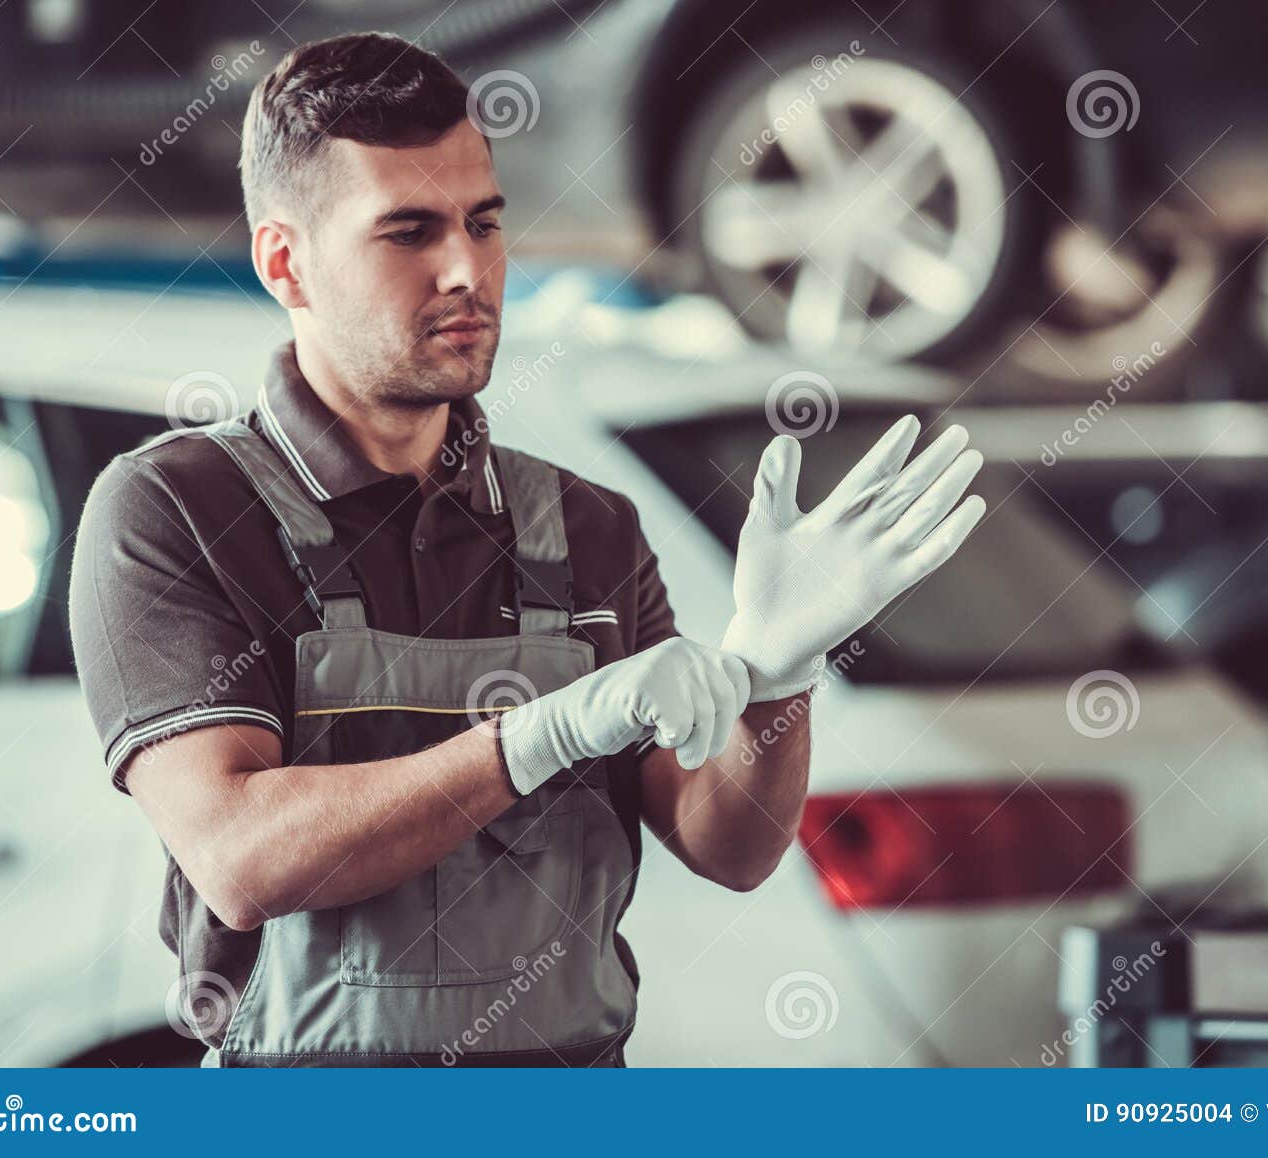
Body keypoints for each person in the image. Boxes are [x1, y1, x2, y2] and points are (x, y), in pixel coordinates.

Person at [68, 31, 986, 1067]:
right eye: (408, 232)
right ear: (287, 263)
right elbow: (240, 855)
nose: (466, 269)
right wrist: (533, 739)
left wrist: (777, 677)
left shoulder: (586, 528)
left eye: (484, 222)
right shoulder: (175, 511)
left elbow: (726, 848)